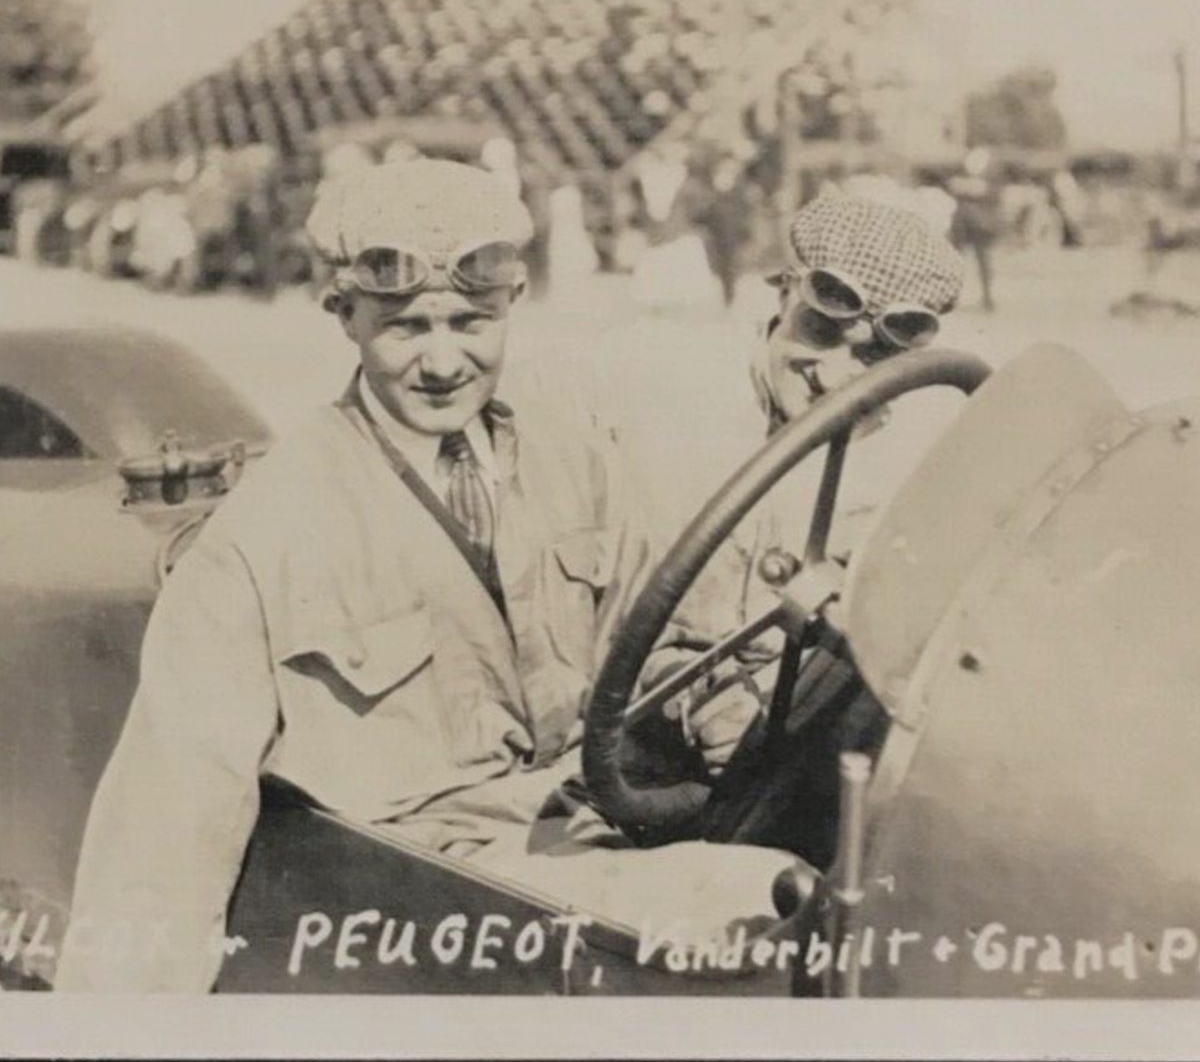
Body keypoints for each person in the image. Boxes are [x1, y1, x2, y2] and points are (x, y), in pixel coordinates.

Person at [55, 159, 793, 994]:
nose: (444, 361)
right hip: (417, 912)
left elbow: (651, 636)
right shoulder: (269, 531)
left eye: (472, 322)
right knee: (775, 918)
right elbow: (167, 830)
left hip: (593, 833)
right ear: (346, 316)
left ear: (512, 304)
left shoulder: (572, 460)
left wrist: (708, 700)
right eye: (407, 327)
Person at [650, 192, 968, 862]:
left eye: (874, 358)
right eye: (821, 333)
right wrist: (707, 703)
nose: (838, 376)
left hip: (822, 771)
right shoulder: (672, 415)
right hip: (666, 773)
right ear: (784, 292)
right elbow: (615, 627)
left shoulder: (921, 460)